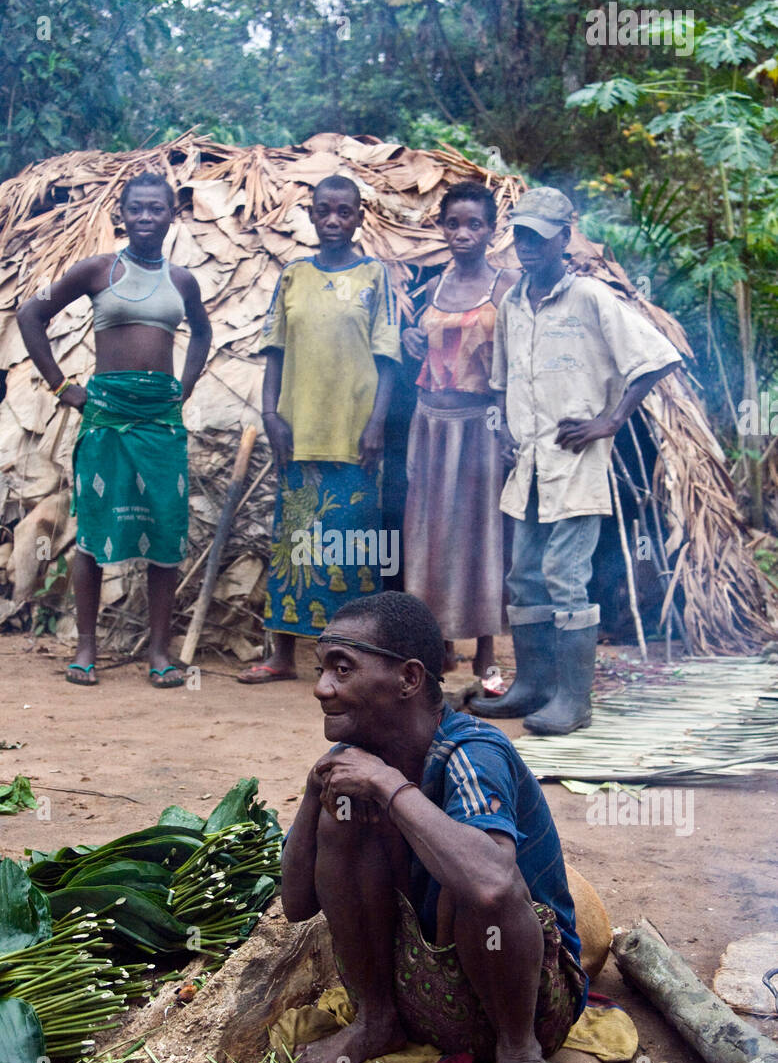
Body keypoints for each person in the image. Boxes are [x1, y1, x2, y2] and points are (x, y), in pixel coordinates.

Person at [281, 590, 588, 1063]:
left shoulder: (472, 751)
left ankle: (519, 1059)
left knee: (473, 867)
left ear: (409, 678)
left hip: (527, 1005)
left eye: (342, 668)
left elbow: (493, 884)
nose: (321, 687)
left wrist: (392, 788)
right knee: (343, 811)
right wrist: (315, 793)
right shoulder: (355, 759)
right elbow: (297, 905)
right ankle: (376, 1021)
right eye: (321, 668)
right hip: (416, 993)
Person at [468, 187, 682, 734]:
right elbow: (500, 382)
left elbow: (656, 359)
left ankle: (573, 700)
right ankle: (532, 686)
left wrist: (611, 421)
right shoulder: (513, 303)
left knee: (566, 576)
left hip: (577, 462)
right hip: (531, 465)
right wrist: (506, 429)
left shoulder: (588, 297)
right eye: (521, 235)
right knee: (524, 578)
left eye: (540, 236)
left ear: (565, 238)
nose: (528, 246)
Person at [17, 171, 212, 687]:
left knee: (166, 531)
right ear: (120, 214)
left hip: (160, 419)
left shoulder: (183, 280)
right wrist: (63, 388)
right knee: (95, 530)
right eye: (137, 209)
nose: (146, 218)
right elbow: (30, 314)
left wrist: (185, 385)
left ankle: (158, 652)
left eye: (157, 209)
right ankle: (86, 648)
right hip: (107, 414)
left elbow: (202, 333)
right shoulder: (98, 270)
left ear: (173, 215)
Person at [238, 175, 400, 683]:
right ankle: (281, 655)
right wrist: (270, 416)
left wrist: (377, 423)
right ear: (310, 214)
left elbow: (388, 359)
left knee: (353, 548)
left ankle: (353, 658)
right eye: (324, 210)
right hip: (298, 433)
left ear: (358, 217)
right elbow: (274, 352)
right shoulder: (293, 276)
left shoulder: (376, 276)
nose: (333, 220)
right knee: (294, 543)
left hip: (354, 437)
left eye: (344, 211)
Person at [401, 182, 518, 677]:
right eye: (453, 223)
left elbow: (517, 360)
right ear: (441, 227)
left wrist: (510, 426)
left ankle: (487, 651)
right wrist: (412, 340)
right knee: (429, 532)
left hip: (480, 425)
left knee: (481, 533)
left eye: (475, 224)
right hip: (431, 423)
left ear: (492, 230)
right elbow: (422, 349)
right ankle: (438, 645)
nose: (463, 233)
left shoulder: (506, 286)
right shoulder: (431, 289)